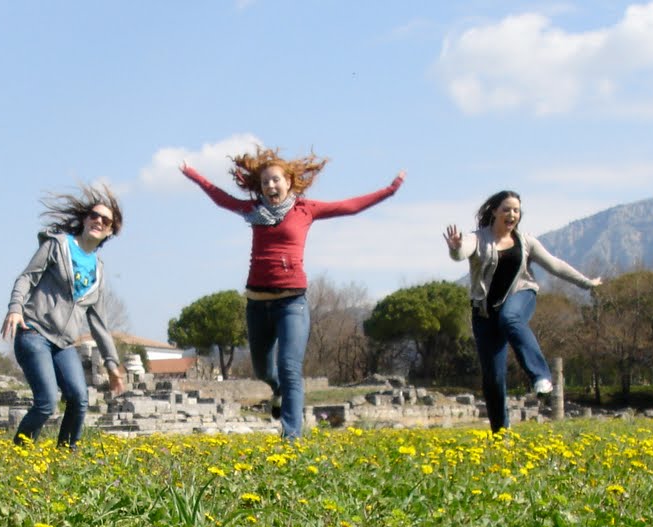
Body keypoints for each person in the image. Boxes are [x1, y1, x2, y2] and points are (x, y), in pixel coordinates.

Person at [182, 148, 404, 438]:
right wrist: (194, 175)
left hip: (292, 303)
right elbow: (220, 197)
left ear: (288, 181)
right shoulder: (253, 211)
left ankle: (291, 438)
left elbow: (350, 206)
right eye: (265, 183)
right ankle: (276, 391)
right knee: (264, 372)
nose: (270, 186)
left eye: (275, 180)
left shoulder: (305, 209)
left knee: (289, 368)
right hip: (257, 304)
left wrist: (389, 190)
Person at [445, 192, 600, 431]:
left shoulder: (526, 241)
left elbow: (555, 264)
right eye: (507, 209)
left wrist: (586, 283)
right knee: (493, 377)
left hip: (522, 295)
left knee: (510, 318)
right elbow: (461, 251)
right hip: (485, 313)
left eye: (516, 210)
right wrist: (455, 248)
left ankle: (541, 377)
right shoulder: (478, 238)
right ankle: (500, 434)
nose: (512, 214)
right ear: (495, 211)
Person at [0, 186, 125, 448]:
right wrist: (15, 308)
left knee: (79, 399)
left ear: (111, 231)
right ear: (84, 219)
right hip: (35, 332)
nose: (98, 221)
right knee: (46, 403)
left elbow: (99, 324)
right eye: (94, 215)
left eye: (106, 220)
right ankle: (19, 455)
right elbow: (26, 277)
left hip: (64, 344)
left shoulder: (98, 271)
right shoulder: (57, 245)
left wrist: (112, 364)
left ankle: (64, 458)